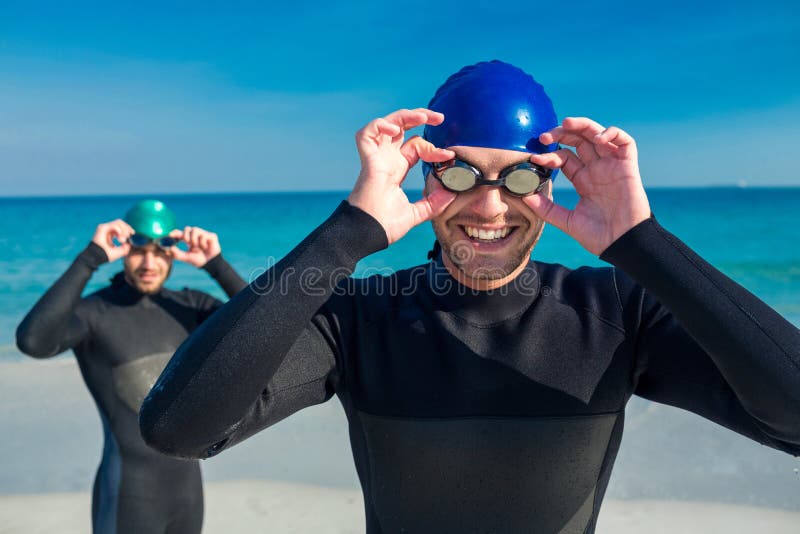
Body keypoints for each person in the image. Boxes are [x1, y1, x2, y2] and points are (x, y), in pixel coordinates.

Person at [139, 61, 800, 533]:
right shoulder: (359, 320)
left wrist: (642, 242)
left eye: (520, 178)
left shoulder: (618, 312)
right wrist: (348, 232)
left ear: (550, 183)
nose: (490, 206)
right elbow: (178, 427)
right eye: (459, 174)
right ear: (425, 176)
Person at [16, 199, 246, 534]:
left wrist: (217, 265)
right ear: (124, 250)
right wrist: (90, 258)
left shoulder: (192, 307)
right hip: (128, 493)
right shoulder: (95, 313)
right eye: (139, 251)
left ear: (173, 253)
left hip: (187, 494)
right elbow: (33, 341)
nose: (149, 263)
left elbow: (268, 330)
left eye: (160, 252)